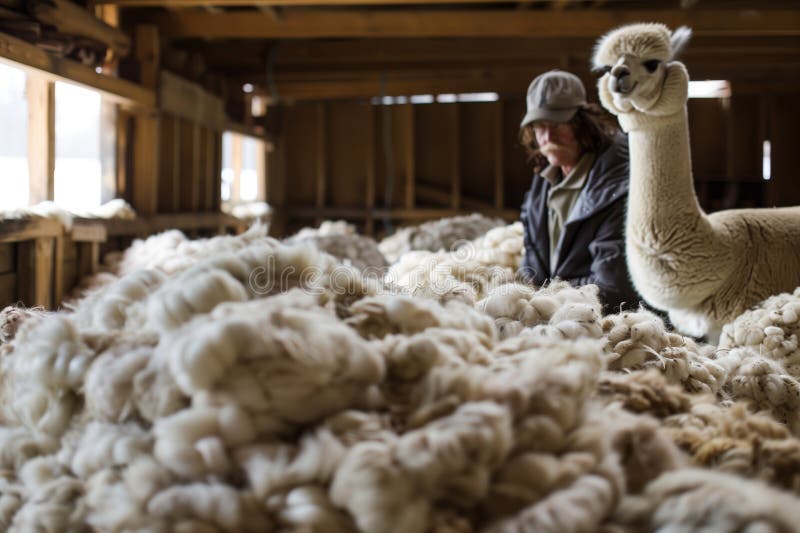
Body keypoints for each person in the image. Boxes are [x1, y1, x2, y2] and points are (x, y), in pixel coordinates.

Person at [518, 69, 640, 312]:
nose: (548, 136)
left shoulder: (618, 188)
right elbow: (531, 262)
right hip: (561, 319)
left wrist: (545, 300)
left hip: (605, 324)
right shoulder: (545, 178)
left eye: (558, 124)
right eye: (539, 127)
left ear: (583, 124)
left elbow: (614, 289)